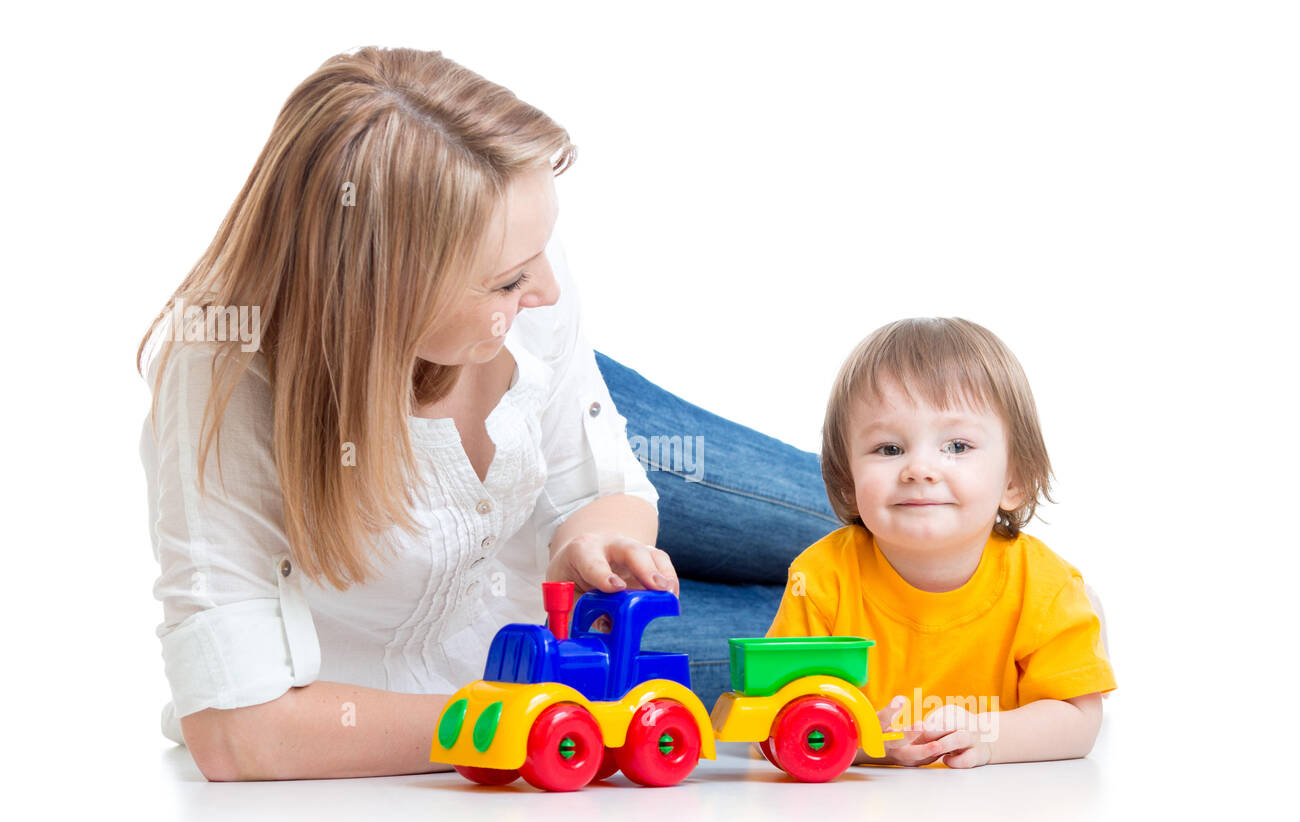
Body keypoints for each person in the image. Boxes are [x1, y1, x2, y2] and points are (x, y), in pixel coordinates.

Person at [138, 46, 834, 781]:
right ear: (380, 294)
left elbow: (598, 486)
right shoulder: (223, 380)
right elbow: (238, 731)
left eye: (540, 253)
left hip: (552, 479)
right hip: (503, 666)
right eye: (506, 280)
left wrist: (588, 541)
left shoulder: (525, 293)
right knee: (872, 622)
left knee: (906, 519)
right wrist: (518, 718)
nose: (548, 293)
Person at [766, 317, 1117, 768]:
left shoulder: (1043, 585)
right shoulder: (821, 577)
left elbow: (1078, 721)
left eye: (957, 446)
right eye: (889, 449)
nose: (920, 469)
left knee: (1070, 627)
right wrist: (861, 741)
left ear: (1014, 479)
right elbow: (775, 723)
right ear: (848, 482)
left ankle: (1083, 630)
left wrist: (988, 737)